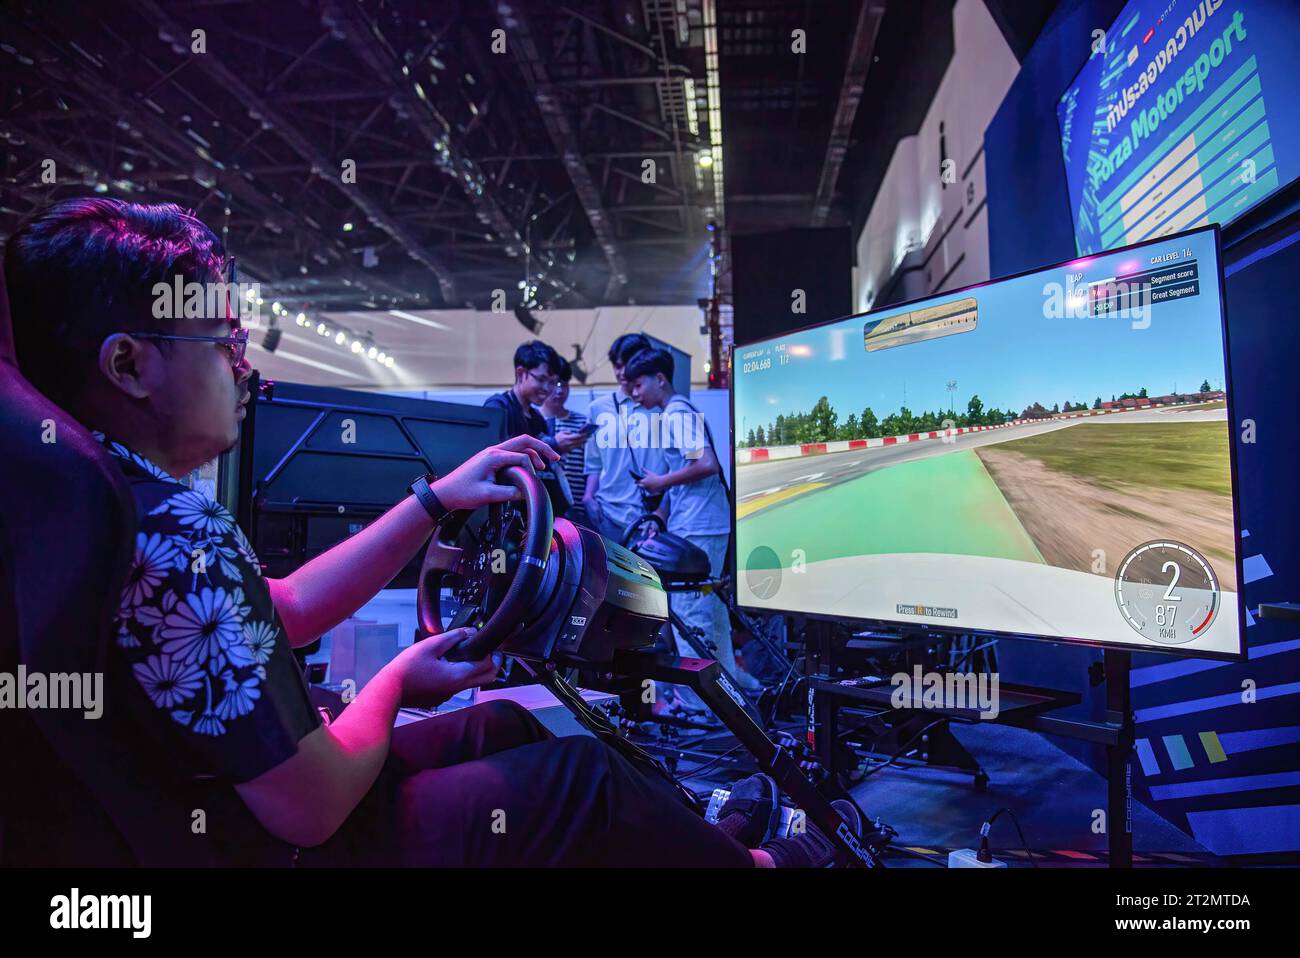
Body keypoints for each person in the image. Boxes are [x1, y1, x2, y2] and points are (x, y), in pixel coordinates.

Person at [4, 197, 856, 867]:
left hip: (240, 818)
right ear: (128, 365)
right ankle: (756, 863)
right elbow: (310, 805)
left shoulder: (125, 504)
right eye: (220, 339)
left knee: (507, 730)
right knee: (581, 779)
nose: (244, 363)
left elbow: (286, 608)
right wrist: (399, 681)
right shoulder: (173, 534)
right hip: (279, 844)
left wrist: (433, 502)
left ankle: (696, 838)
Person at [625, 347, 763, 696]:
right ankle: (731, 686)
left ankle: (700, 703)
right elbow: (689, 472)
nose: (634, 392)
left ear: (660, 379)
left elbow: (707, 464)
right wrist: (660, 513)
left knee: (692, 614)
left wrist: (659, 483)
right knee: (711, 612)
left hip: (701, 525)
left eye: (638, 384)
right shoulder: (676, 414)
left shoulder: (676, 414)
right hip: (701, 522)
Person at [581, 333, 666, 545]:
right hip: (607, 515)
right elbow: (594, 462)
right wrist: (588, 497)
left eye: (627, 364)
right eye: (616, 365)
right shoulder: (598, 408)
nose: (621, 372)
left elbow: (677, 468)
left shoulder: (662, 408)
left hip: (650, 517)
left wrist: (662, 513)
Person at [484, 340, 586, 517]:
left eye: (553, 382)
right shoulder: (498, 407)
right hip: (506, 510)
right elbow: (494, 460)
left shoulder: (537, 417)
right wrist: (554, 444)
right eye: (542, 380)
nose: (548, 389)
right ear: (521, 373)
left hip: (532, 508)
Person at [539, 355, 591, 524]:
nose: (560, 391)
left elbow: (593, 466)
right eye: (555, 384)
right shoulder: (534, 421)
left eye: (565, 384)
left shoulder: (581, 421)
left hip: (577, 508)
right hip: (543, 505)